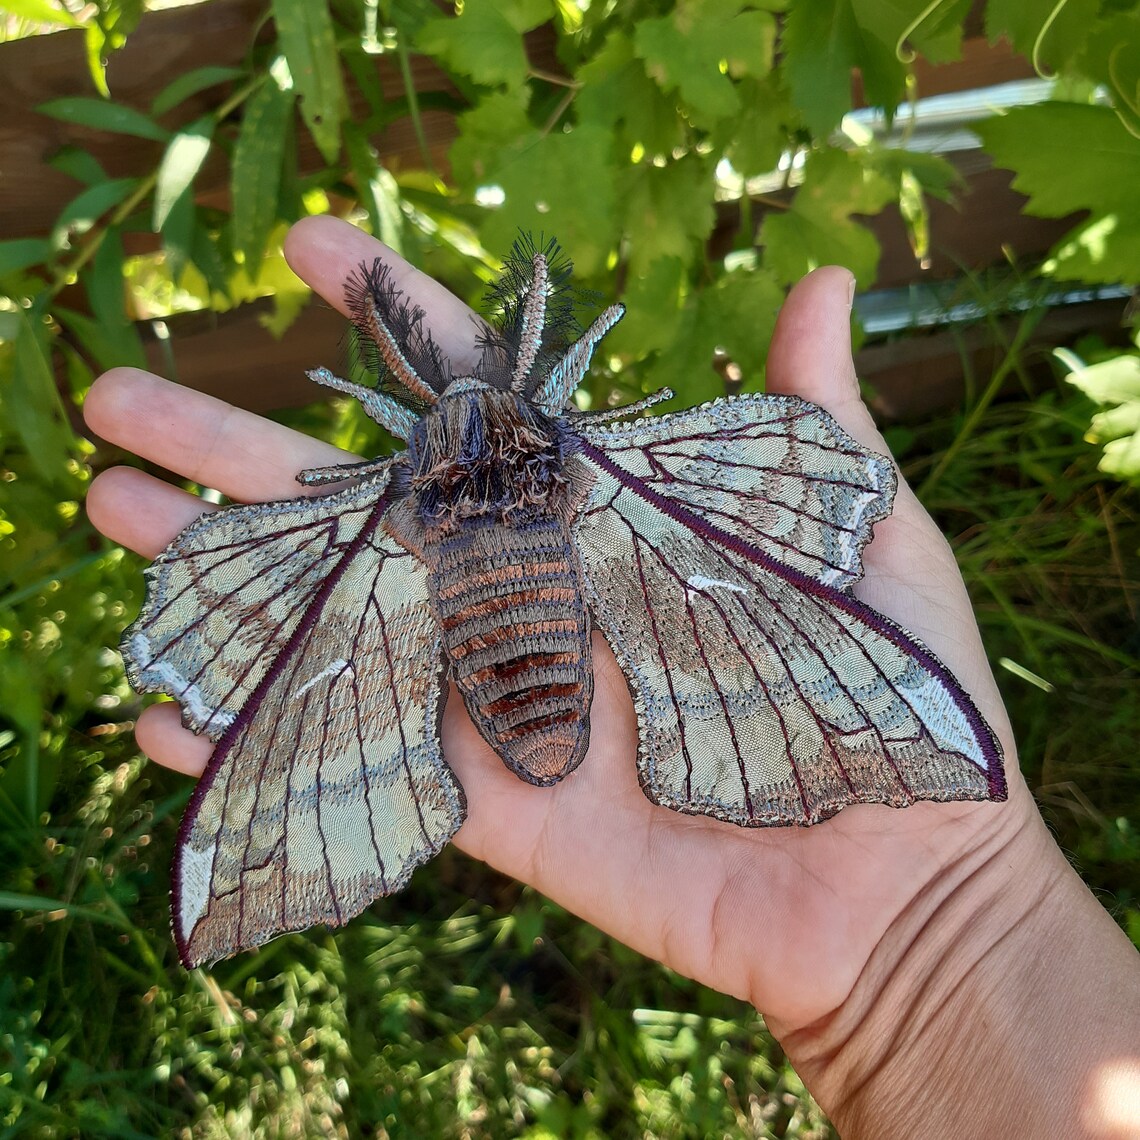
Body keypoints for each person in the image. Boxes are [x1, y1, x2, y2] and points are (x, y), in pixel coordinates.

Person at [85, 215, 1140, 1138]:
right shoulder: (569, 456)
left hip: (429, 575)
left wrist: (955, 919)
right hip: (552, 548)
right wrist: (963, 927)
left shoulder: (405, 495)